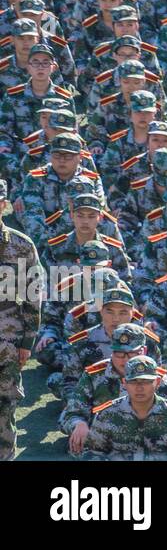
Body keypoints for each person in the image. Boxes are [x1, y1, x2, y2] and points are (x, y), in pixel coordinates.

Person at [0, 179, 42, 460]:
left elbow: (33, 294)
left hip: (7, 338)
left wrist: (27, 341)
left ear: (3, 206)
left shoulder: (20, 245)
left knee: (4, 408)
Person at [80, 356, 167, 459]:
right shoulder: (107, 414)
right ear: (124, 383)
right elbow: (92, 453)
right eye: (133, 382)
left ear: (157, 382)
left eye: (146, 382)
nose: (139, 388)